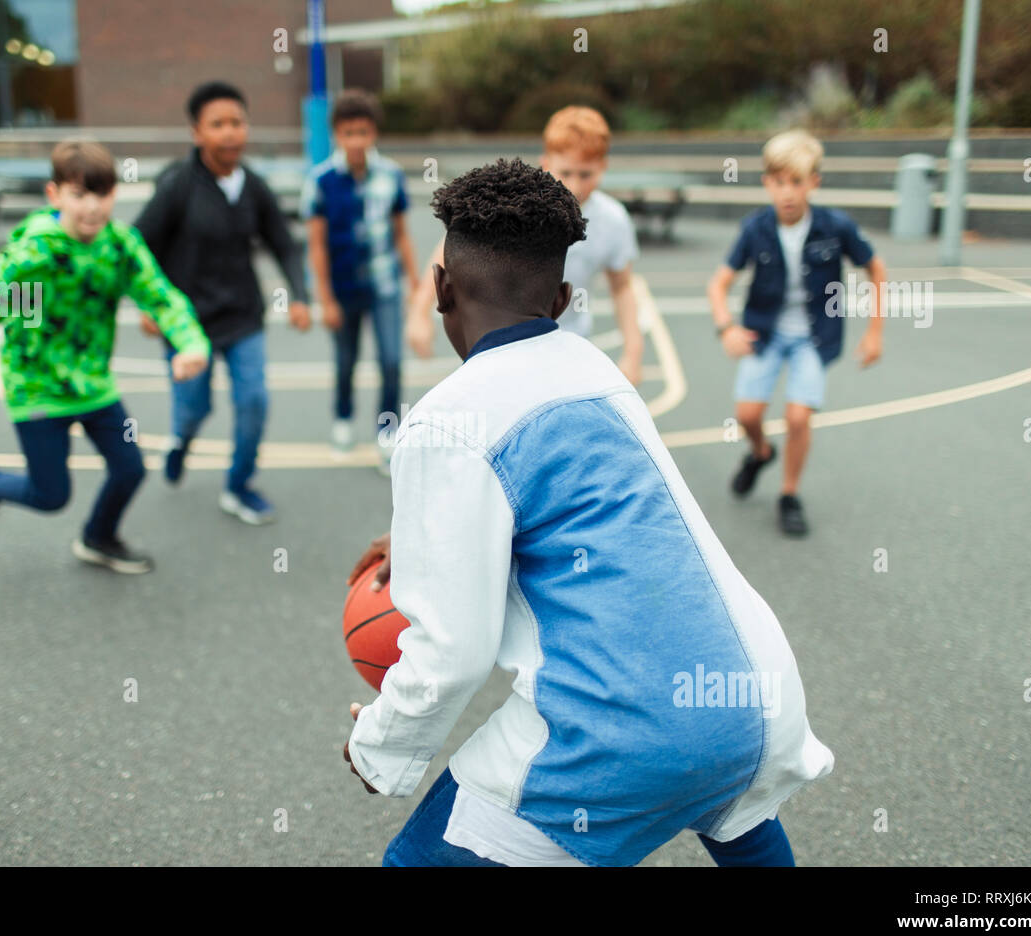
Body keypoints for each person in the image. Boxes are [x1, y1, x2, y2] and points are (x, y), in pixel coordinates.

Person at [342, 159, 834, 867]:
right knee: (729, 811)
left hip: (619, 731)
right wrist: (418, 538)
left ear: (440, 286)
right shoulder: (600, 375)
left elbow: (454, 652)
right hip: (751, 698)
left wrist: (379, 745)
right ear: (568, 297)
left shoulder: (446, 420)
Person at [0, 140, 210, 573]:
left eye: (102, 194)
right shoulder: (33, 255)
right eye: (79, 194)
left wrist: (192, 343)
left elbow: (162, 297)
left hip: (94, 386)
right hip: (37, 391)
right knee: (51, 495)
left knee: (131, 469)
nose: (92, 207)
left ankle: (98, 538)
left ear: (115, 195)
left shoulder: (120, 245)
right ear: (55, 195)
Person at [134, 80, 311, 525]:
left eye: (237, 122)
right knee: (195, 408)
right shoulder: (177, 185)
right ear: (197, 132)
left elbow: (284, 244)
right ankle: (181, 440)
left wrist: (300, 297)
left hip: (242, 316)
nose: (230, 132)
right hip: (187, 323)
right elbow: (135, 247)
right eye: (218, 124)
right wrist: (150, 306)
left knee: (254, 402)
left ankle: (238, 486)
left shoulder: (253, 185)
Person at [706, 129, 885, 536]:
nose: (788, 193)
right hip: (763, 333)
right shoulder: (755, 229)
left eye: (797, 183)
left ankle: (789, 495)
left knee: (798, 417)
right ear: (767, 183)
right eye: (779, 182)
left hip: (814, 337)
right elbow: (718, 284)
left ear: (813, 183)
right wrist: (726, 328)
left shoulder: (834, 226)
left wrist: (875, 333)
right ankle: (761, 452)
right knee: (747, 414)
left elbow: (876, 268)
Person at [406, 106, 647, 387]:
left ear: (603, 167)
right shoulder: (519, 207)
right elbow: (448, 251)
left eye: (586, 174)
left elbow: (622, 287)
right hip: (503, 341)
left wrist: (633, 352)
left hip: (571, 344)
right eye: (566, 172)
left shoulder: (613, 221)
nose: (575, 185)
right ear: (546, 163)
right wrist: (419, 312)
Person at [300, 88, 418, 475]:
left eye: (363, 132)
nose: (356, 141)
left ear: (374, 134)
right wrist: (325, 299)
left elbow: (401, 234)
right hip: (343, 290)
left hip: (384, 287)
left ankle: (386, 436)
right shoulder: (320, 181)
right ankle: (343, 419)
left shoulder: (391, 175)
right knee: (346, 361)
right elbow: (316, 246)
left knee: (390, 362)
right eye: (348, 132)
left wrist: (416, 283)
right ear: (336, 134)